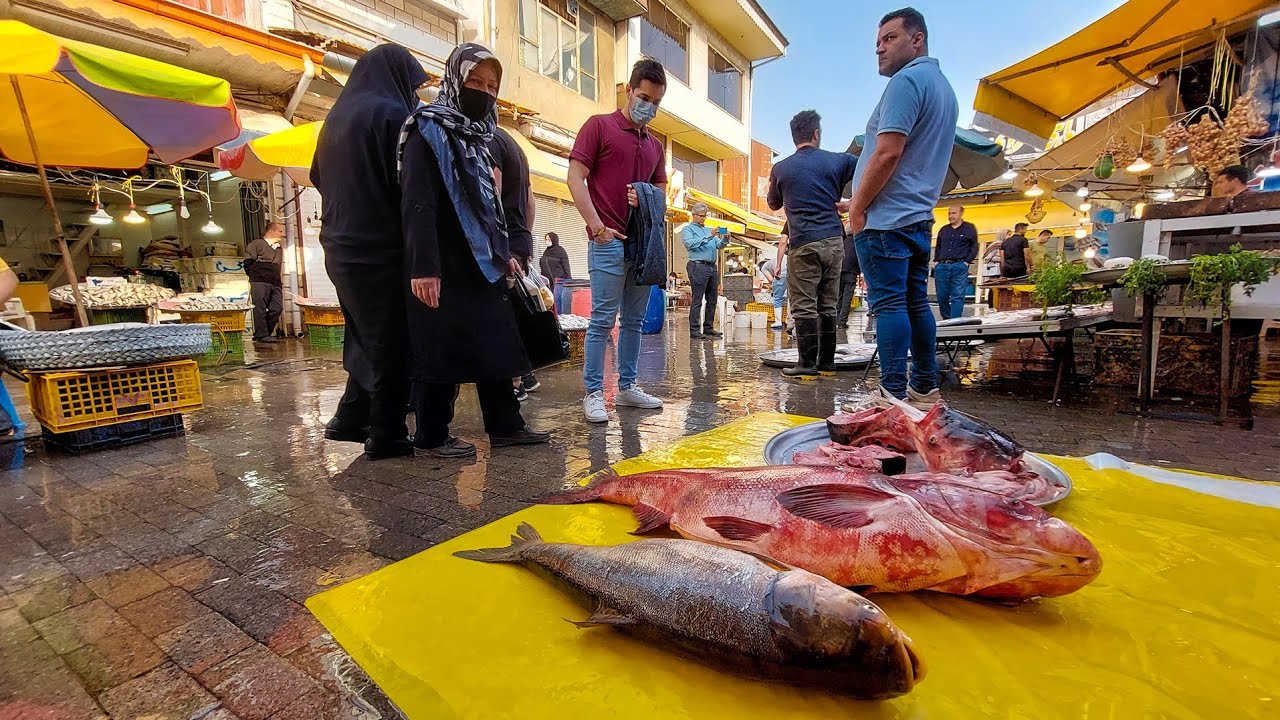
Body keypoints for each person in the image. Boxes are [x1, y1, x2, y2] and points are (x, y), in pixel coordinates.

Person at [399, 43, 549, 457]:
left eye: (492, 86)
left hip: (485, 260)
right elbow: (418, 201)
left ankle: (506, 425)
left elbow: (499, 205)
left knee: (495, 342)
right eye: (474, 82)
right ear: (454, 80)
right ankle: (431, 436)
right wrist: (424, 266)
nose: (484, 92)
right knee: (439, 350)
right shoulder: (426, 128)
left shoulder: (484, 136)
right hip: (442, 261)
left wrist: (512, 252)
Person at [311, 44, 425, 460]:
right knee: (391, 341)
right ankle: (388, 433)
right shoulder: (394, 116)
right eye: (413, 85)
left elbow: (317, 177)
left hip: (339, 245)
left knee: (365, 334)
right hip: (380, 247)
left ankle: (350, 417)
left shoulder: (335, 118)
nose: (415, 94)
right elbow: (410, 187)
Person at [847, 7, 958, 406]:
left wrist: (858, 207)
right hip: (916, 217)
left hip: (886, 221)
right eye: (877, 42)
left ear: (918, 39)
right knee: (916, 304)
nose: (879, 48)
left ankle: (891, 396)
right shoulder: (943, 87)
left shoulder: (906, 82)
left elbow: (887, 153)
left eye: (889, 38)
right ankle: (924, 387)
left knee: (890, 305)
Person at [568, 59, 668, 423]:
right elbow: (575, 177)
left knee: (634, 321)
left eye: (656, 102)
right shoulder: (599, 126)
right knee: (601, 320)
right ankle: (594, 392)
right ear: (628, 90)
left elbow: (661, 191)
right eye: (643, 97)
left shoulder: (655, 145)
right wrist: (596, 227)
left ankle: (627, 387)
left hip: (641, 246)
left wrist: (647, 197)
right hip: (607, 240)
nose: (649, 107)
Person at [768, 111, 857, 378]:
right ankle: (827, 364)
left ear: (794, 136)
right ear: (816, 133)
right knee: (828, 303)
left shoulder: (781, 168)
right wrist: (853, 203)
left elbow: (773, 204)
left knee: (804, 304)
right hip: (833, 241)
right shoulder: (840, 161)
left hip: (803, 242)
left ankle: (806, 365)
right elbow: (869, 168)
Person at [487, 124, 542, 402]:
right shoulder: (516, 148)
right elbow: (530, 202)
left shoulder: (490, 141)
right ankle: (525, 375)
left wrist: (498, 245)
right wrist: (524, 242)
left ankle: (514, 383)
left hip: (501, 244)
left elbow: (491, 195)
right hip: (518, 241)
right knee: (516, 311)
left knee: (500, 318)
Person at [683, 202, 730, 338]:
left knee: (713, 298)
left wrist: (726, 239)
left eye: (705, 216)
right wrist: (709, 236)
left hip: (711, 266)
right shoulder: (688, 230)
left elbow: (718, 245)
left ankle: (708, 327)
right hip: (698, 266)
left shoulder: (708, 229)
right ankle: (694, 330)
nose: (703, 218)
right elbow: (690, 244)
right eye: (701, 216)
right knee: (697, 298)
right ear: (694, 215)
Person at [933, 205, 978, 320]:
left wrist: (967, 262)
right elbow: (938, 246)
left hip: (959, 265)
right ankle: (947, 320)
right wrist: (937, 261)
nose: (951, 216)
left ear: (961, 213)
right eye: (949, 213)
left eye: (954, 213)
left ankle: (954, 321)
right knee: (941, 296)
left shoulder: (969, 228)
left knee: (957, 296)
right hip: (942, 265)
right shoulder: (944, 230)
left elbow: (974, 246)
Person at [244, 222, 284, 343]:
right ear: (271, 231)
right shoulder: (256, 244)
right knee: (259, 308)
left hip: (275, 281)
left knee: (277, 308)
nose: (282, 234)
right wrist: (254, 276)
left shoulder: (279, 248)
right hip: (259, 280)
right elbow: (247, 262)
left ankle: (264, 332)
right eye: (280, 231)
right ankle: (261, 334)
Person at [837, 232, 861, 328]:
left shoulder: (841, 242)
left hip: (839, 272)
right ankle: (842, 322)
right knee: (847, 298)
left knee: (839, 297)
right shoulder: (857, 243)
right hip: (851, 273)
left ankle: (836, 320)